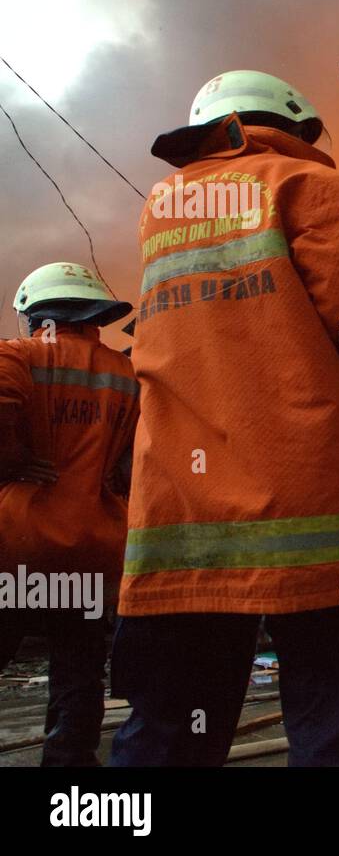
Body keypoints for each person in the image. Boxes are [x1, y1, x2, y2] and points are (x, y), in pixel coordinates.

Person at [110, 70, 339, 766]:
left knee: (168, 725)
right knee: (334, 714)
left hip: (179, 516)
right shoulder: (316, 188)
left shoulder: (163, 206)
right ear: (296, 125)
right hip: (304, 514)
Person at [0, 263, 138, 765]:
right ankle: (69, 768)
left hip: (17, 546)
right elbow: (131, 463)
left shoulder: (15, 356)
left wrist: (13, 461)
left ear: (34, 314)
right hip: (92, 551)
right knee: (78, 670)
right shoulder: (127, 375)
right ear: (95, 317)